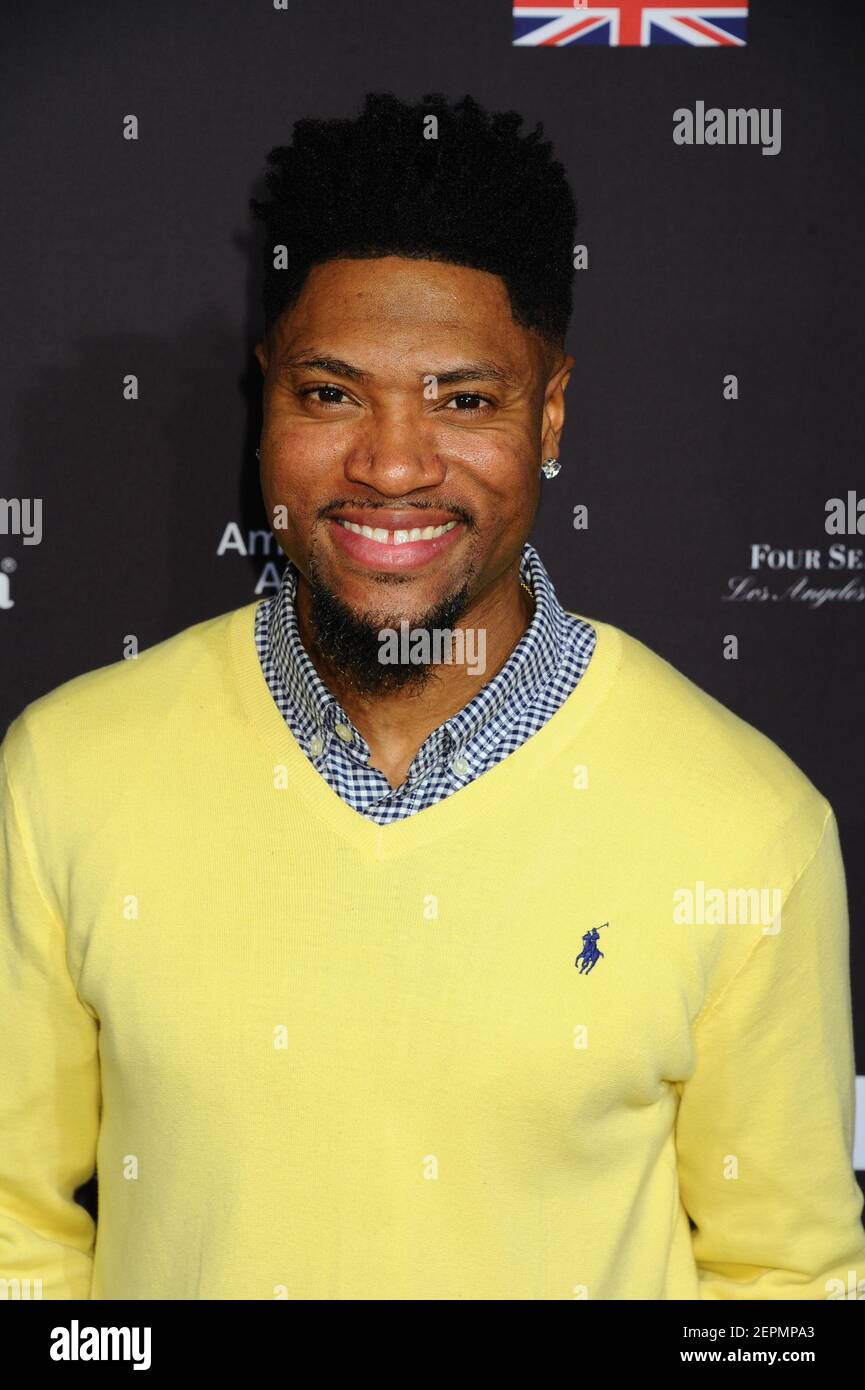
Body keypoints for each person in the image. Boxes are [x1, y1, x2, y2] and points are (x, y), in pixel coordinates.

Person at [1, 92, 863, 1302]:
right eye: (331, 393)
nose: (393, 465)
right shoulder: (63, 775)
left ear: (549, 412)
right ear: (267, 401)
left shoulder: (749, 828)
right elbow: (13, 1233)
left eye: (464, 400)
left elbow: (786, 1283)